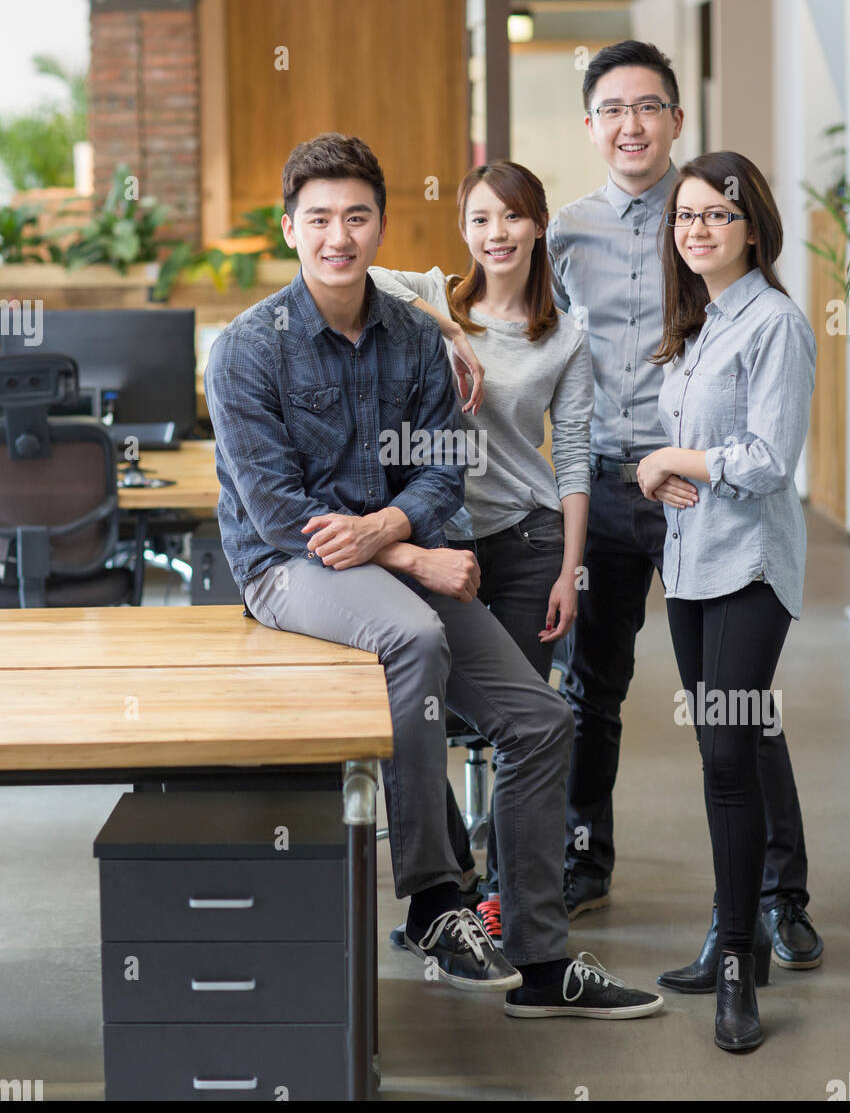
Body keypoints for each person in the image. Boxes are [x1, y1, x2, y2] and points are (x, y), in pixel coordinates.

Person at [204, 130, 663, 1019]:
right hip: (286, 567)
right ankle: (434, 901)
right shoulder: (248, 347)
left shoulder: (416, 337)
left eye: (358, 217)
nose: (340, 236)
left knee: (539, 719)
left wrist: (389, 527)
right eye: (320, 219)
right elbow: (274, 511)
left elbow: (443, 470)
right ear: (290, 229)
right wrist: (410, 549)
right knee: (413, 634)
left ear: (380, 225)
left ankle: (539, 960)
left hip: (379, 555)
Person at [549, 39, 823, 975]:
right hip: (617, 481)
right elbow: (541, 340)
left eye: (649, 106)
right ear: (592, 126)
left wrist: (687, 461)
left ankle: (780, 896)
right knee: (596, 686)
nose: (631, 124)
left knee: (739, 703)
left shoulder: (708, 212)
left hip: (708, 488)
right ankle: (585, 861)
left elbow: (763, 423)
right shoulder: (566, 231)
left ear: (674, 119)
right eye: (612, 109)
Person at [369, 159, 593, 947]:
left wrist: (570, 568)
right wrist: (450, 329)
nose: (496, 234)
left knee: (521, 728)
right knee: (420, 709)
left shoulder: (566, 336)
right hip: (439, 540)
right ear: (464, 230)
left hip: (529, 540)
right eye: (480, 220)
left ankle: (506, 898)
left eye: (511, 218)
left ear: (538, 225)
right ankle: (448, 892)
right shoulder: (433, 295)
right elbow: (356, 268)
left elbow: (570, 458)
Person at [636, 151, 816, 1050]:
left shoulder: (775, 324)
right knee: (719, 757)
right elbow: (682, 445)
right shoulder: (699, 325)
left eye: (715, 214)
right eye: (684, 217)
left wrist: (674, 463)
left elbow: (766, 460)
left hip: (749, 570)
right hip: (690, 568)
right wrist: (653, 464)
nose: (696, 229)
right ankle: (728, 935)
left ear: (753, 227)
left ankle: (739, 969)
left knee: (727, 760)